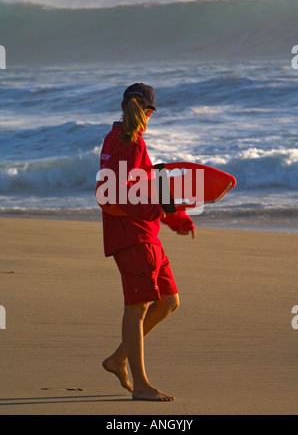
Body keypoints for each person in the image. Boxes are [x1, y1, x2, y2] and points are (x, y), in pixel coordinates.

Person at [97, 83, 195, 401]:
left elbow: (148, 183)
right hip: (134, 237)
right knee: (136, 308)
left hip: (145, 235)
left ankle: (117, 360)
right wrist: (156, 211)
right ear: (149, 111)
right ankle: (141, 385)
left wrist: (174, 217)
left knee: (168, 301)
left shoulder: (117, 138)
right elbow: (109, 194)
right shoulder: (129, 142)